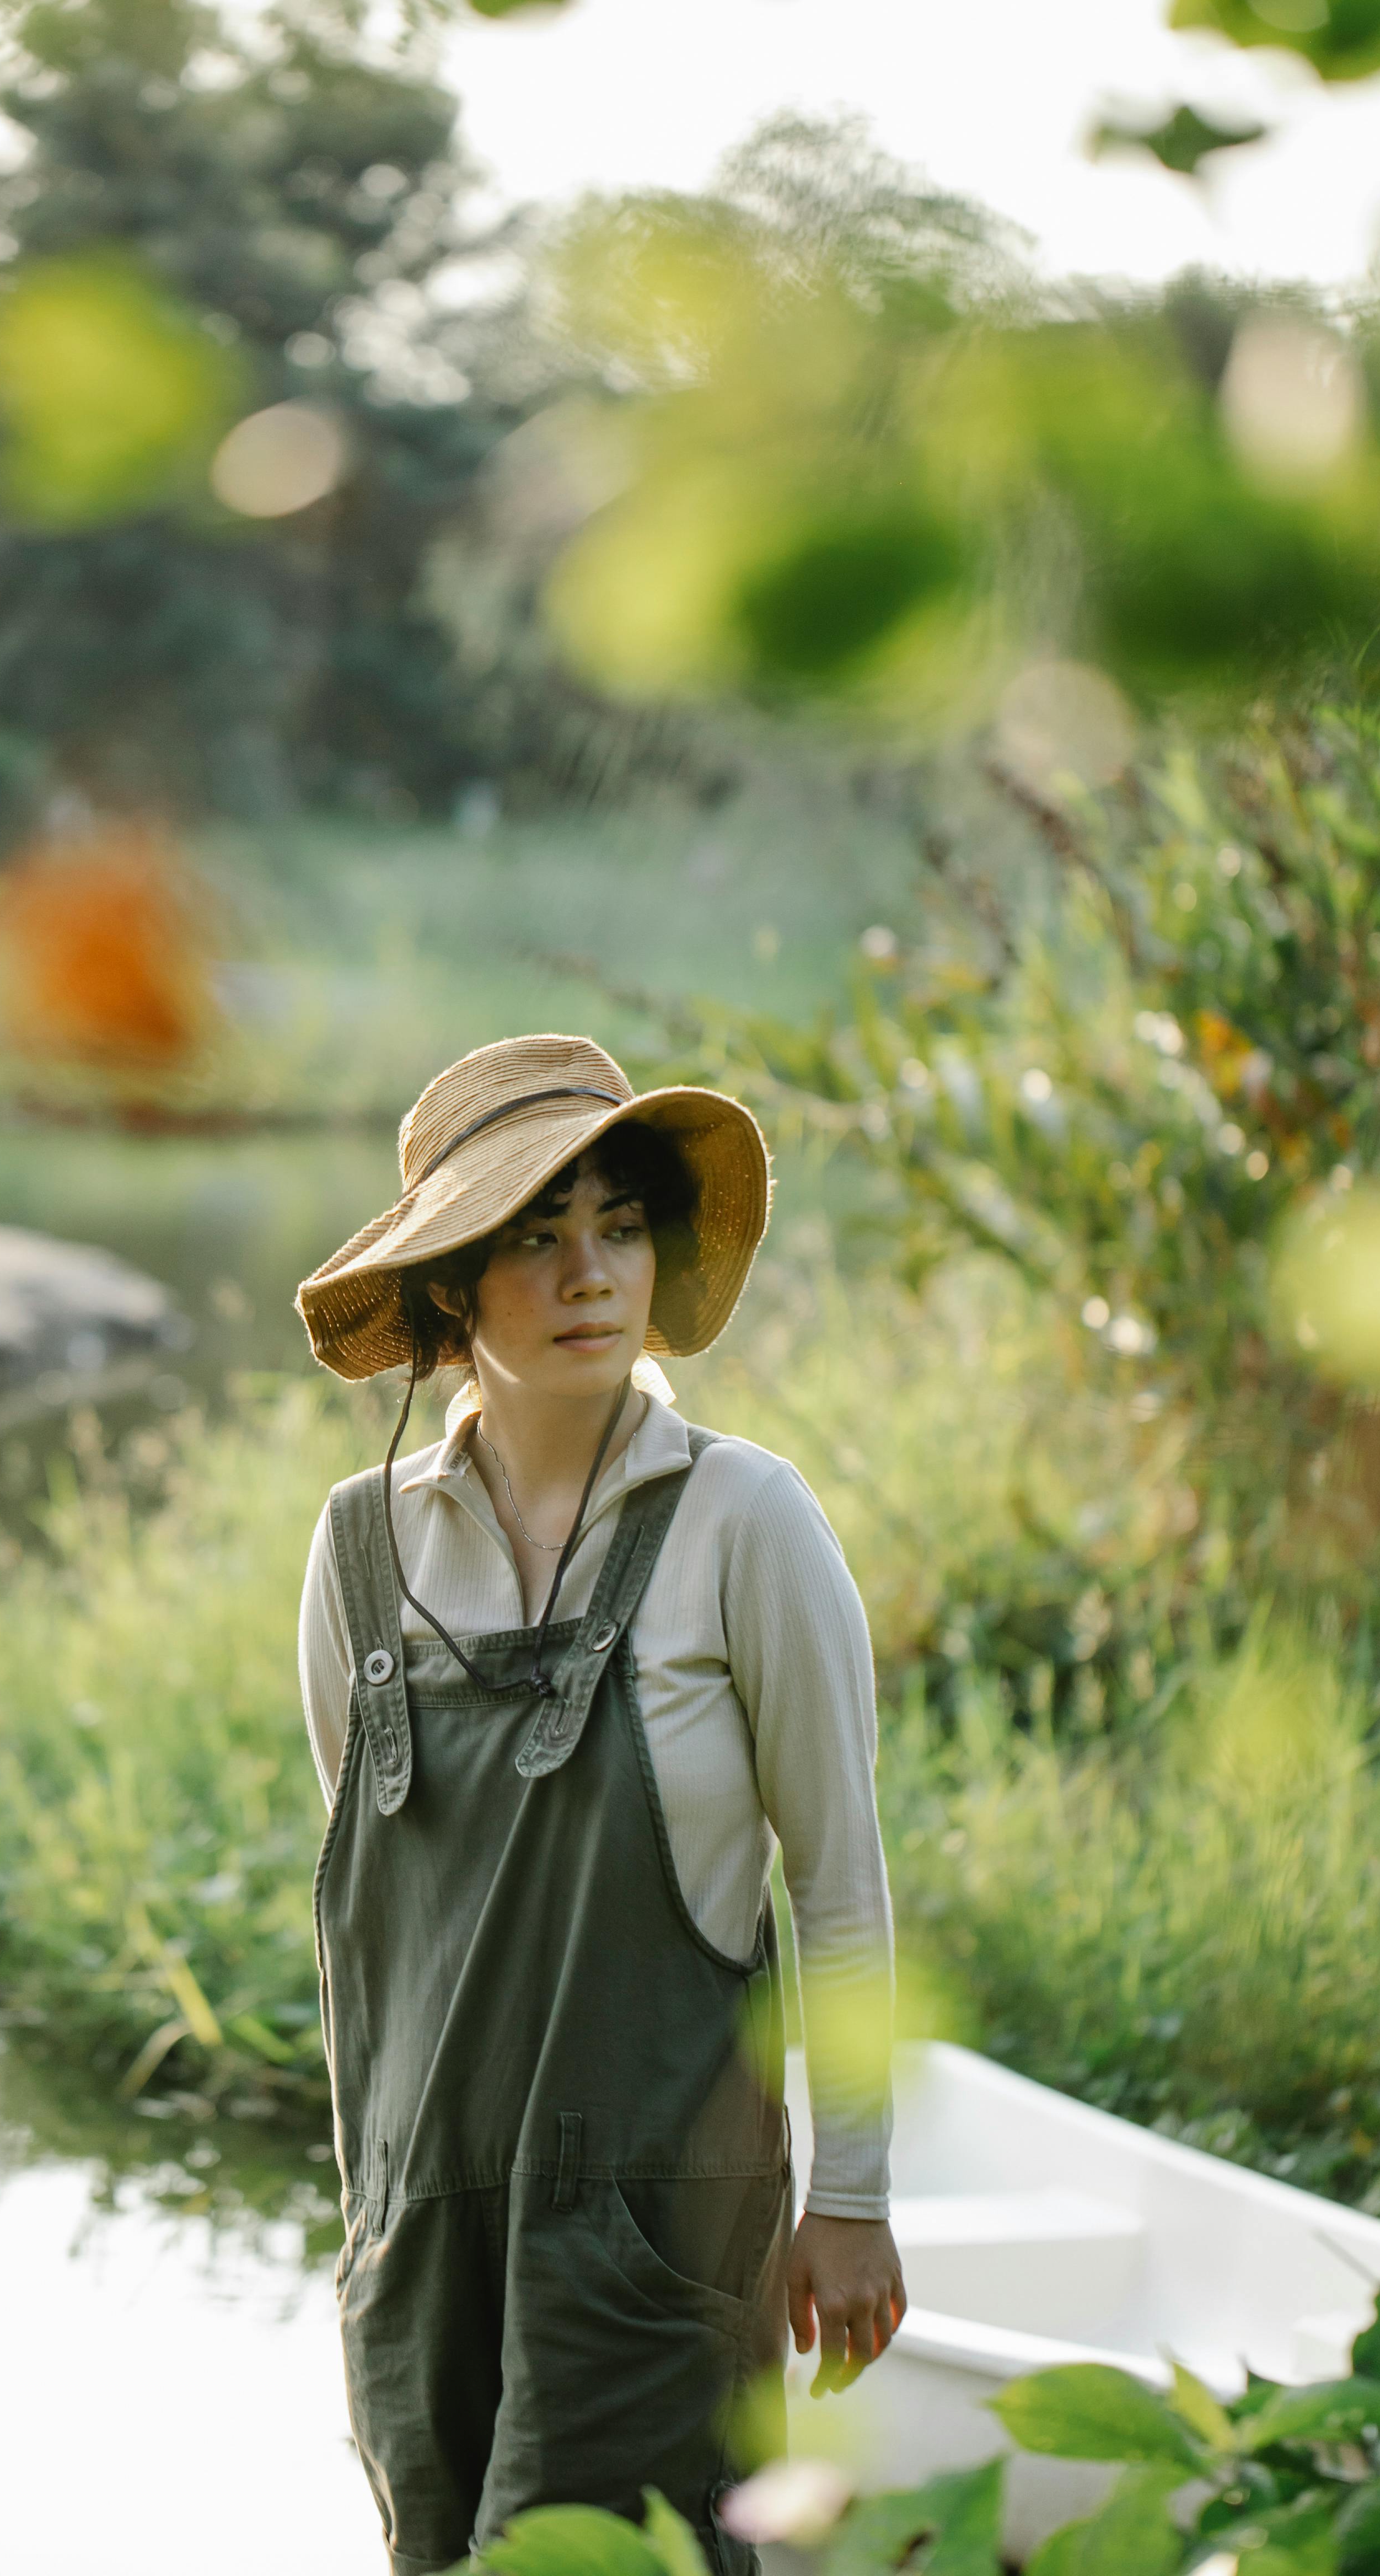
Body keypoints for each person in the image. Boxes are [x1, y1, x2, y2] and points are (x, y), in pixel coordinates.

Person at [295, 1032, 904, 2576]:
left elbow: (836, 1885)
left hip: (653, 2231)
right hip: (420, 2234)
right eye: (533, 1235)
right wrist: (371, 2224)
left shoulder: (745, 1521)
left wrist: (850, 2200)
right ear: (447, 1289)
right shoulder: (359, 1553)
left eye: (618, 1226)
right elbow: (372, 1928)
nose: (589, 1276)